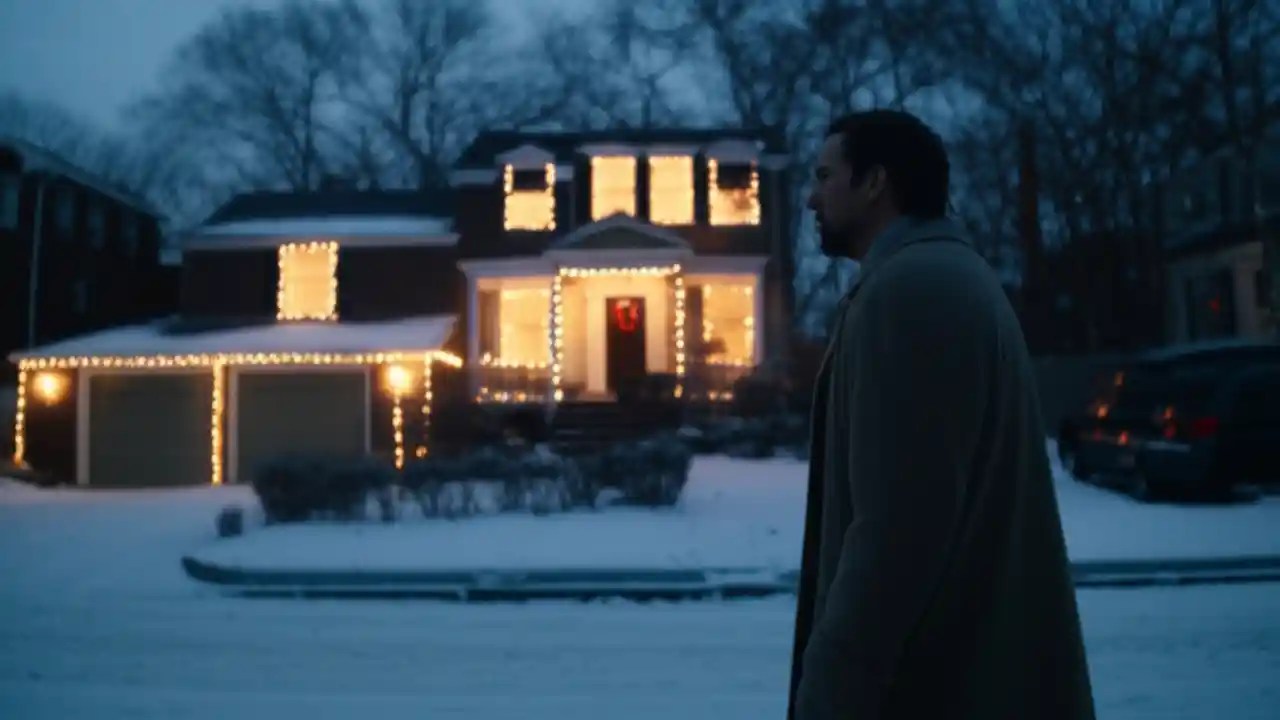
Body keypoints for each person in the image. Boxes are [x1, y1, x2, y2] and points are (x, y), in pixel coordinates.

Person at [788, 110, 1095, 719]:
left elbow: (897, 530)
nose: (810, 199)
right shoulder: (946, 277)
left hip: (943, 685)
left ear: (875, 182)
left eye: (825, 176)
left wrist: (830, 692)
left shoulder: (911, 292)